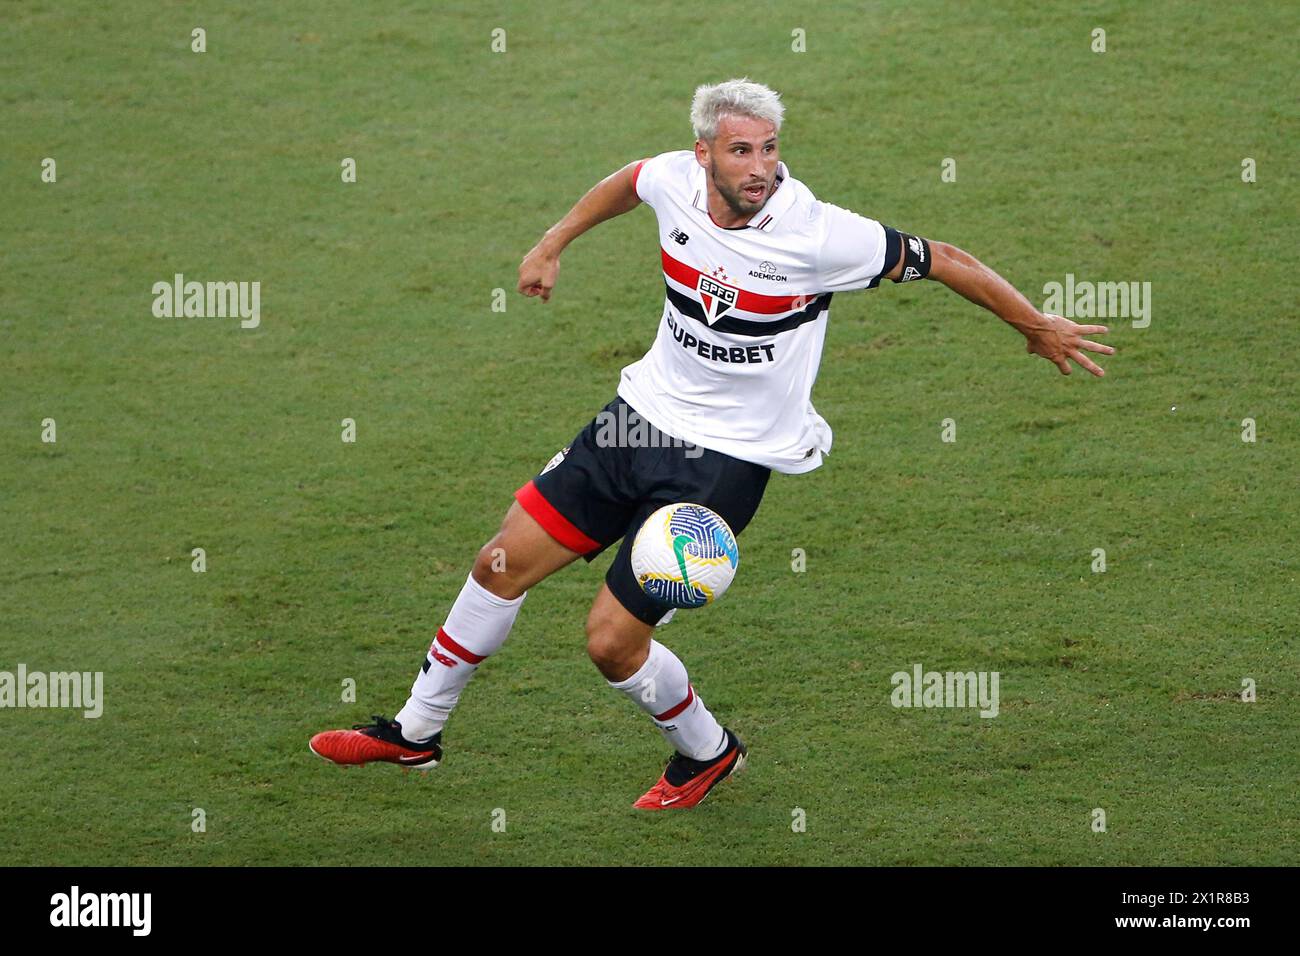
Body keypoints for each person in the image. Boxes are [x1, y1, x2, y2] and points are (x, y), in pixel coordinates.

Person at [309, 78, 1114, 810]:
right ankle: (414, 734)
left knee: (611, 642)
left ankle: (706, 753)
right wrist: (554, 241)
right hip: (636, 419)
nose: (760, 166)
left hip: (726, 462)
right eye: (741, 150)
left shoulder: (820, 236)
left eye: (769, 148)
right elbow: (628, 180)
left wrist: (1035, 326)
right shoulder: (672, 180)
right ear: (704, 155)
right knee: (499, 563)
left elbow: (946, 259)